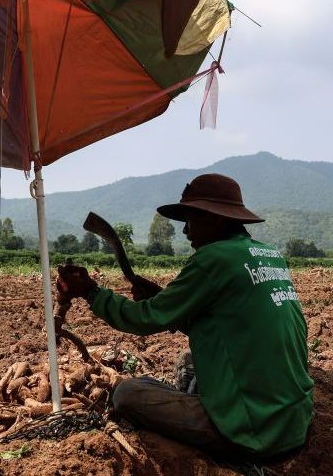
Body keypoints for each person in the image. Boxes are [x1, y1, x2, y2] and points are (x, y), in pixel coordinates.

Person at [56, 173, 313, 461]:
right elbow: (223, 323)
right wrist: (162, 296)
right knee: (188, 363)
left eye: (190, 220)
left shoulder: (213, 259)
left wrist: (91, 292)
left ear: (215, 218)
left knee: (127, 394)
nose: (186, 232)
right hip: (294, 420)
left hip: (254, 431)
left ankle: (217, 422)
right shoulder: (268, 255)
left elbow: (143, 319)